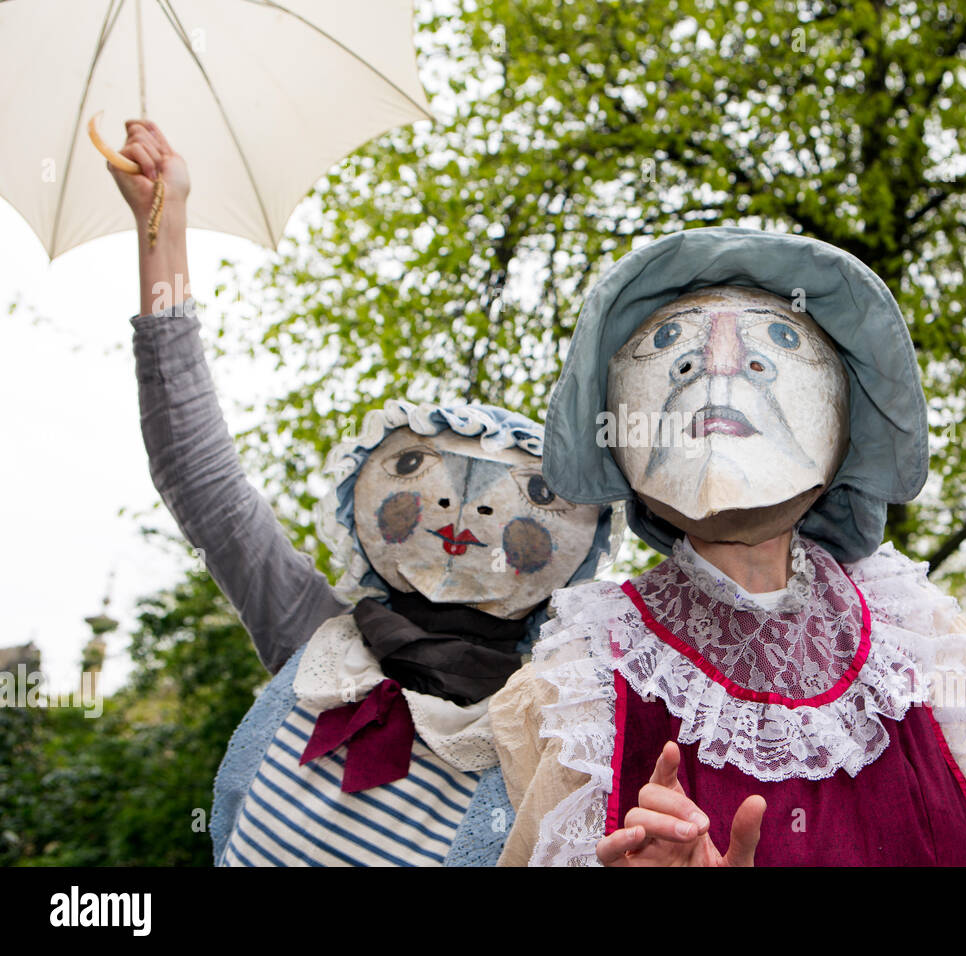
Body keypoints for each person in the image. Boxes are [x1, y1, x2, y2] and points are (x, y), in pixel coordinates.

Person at [490, 227, 966, 866]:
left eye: (784, 342)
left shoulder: (924, 641)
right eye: (668, 345)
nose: (722, 363)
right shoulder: (575, 684)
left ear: (846, 433)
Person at [107, 119, 615, 866]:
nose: (464, 513)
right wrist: (163, 229)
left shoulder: (559, 719)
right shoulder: (315, 639)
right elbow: (199, 476)